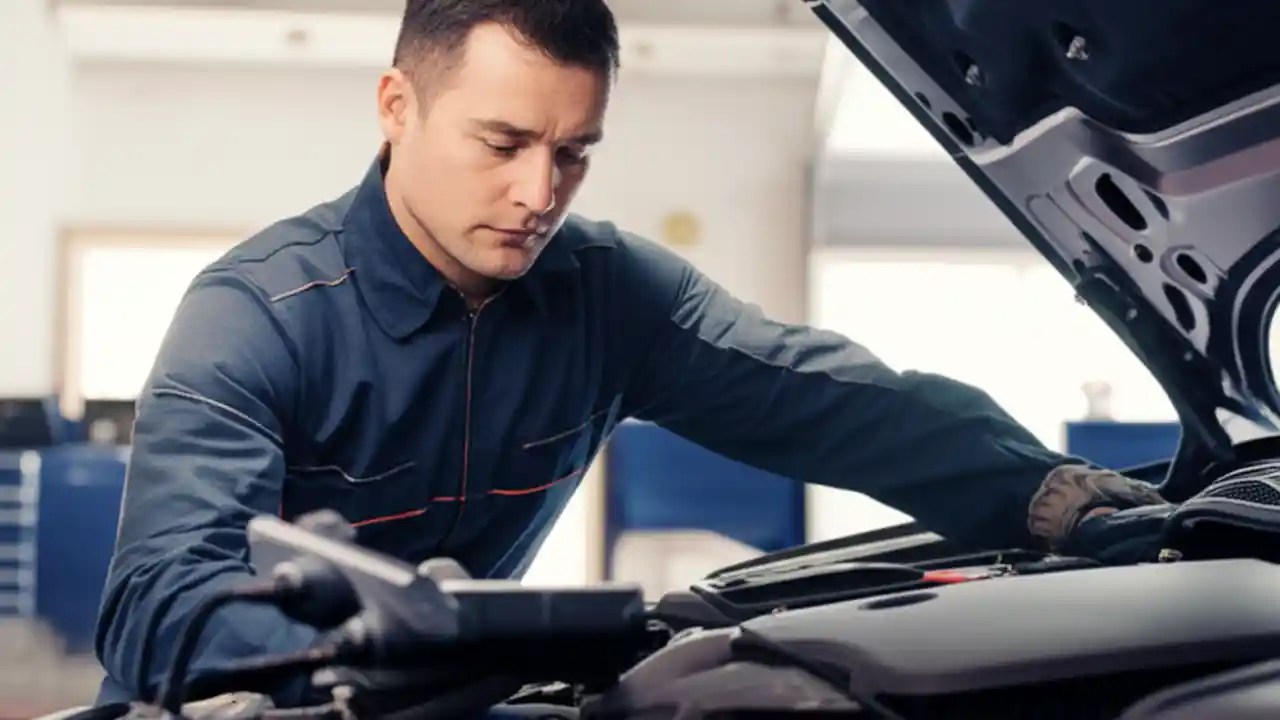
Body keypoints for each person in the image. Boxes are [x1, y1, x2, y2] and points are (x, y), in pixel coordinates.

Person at [92, 0, 1164, 709]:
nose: (537, 195)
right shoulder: (256, 312)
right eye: (501, 144)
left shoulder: (608, 295)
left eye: (573, 154)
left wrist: (1058, 500)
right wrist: (350, 643)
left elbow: (837, 400)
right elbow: (155, 601)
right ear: (395, 106)